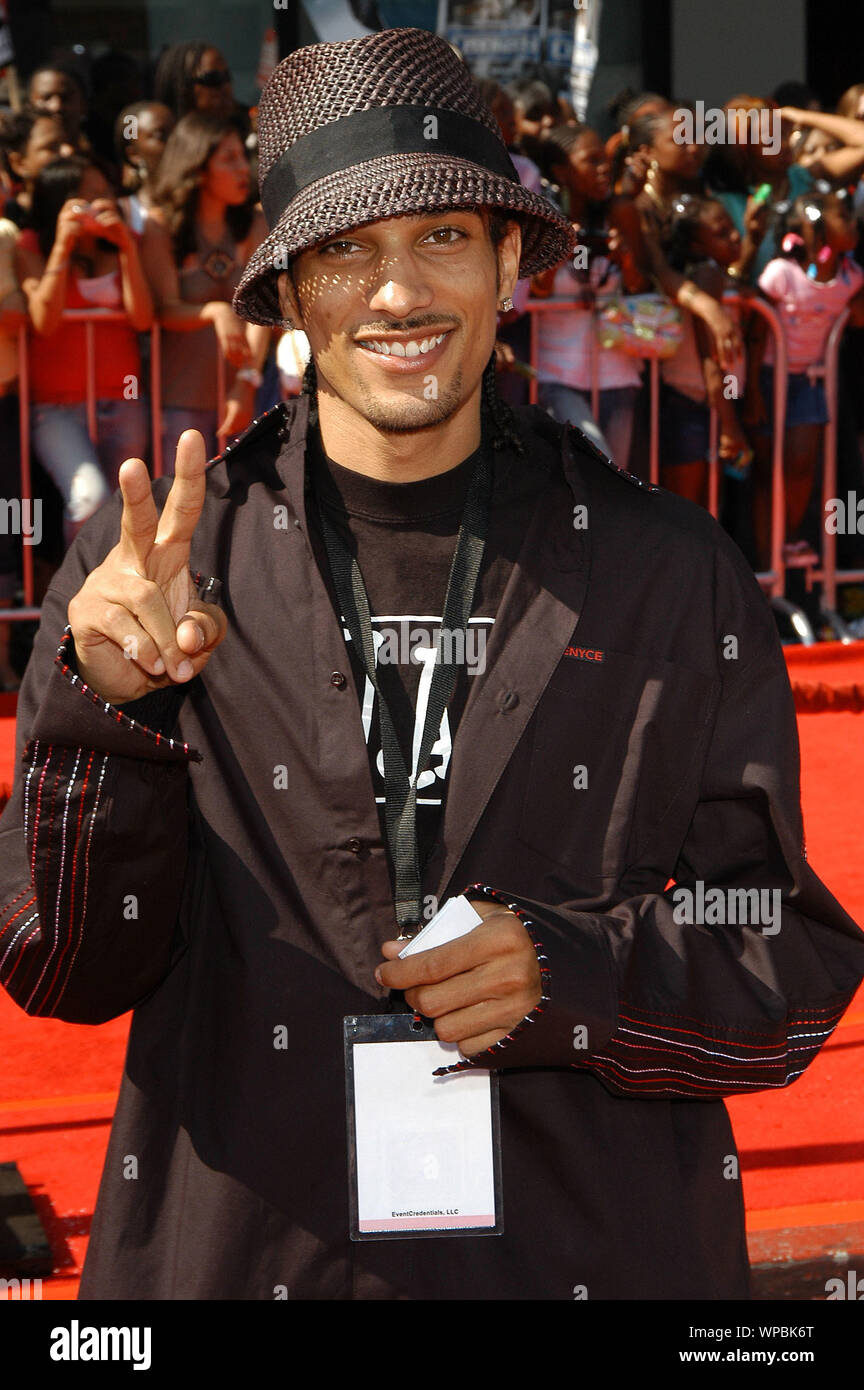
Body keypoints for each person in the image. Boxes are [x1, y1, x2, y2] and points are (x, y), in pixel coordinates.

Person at [1, 28, 863, 1303]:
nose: (397, 293)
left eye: (442, 237)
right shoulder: (156, 564)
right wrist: (104, 713)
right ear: (289, 294)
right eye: (345, 250)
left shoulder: (667, 571)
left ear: (511, 261)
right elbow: (63, 966)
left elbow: (784, 951)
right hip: (251, 1251)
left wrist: (575, 971)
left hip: (590, 1248)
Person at [15, 156, 152, 547]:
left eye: (104, 194)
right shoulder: (29, 247)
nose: (99, 204)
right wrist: (62, 245)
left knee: (122, 507)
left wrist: (126, 245)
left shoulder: (126, 244)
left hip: (123, 398)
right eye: (86, 197)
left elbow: (143, 319)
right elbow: (45, 321)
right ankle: (76, 595)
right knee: (88, 498)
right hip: (56, 407)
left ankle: (116, 599)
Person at [141, 112, 271, 466]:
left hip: (241, 394)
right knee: (182, 504)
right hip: (179, 396)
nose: (244, 168)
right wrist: (215, 311)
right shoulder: (160, 226)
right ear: (198, 167)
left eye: (242, 156)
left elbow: (260, 311)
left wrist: (245, 383)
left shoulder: (255, 223)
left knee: (240, 510)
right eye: (228, 159)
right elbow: (164, 309)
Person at [749, 188, 864, 568]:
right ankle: (766, 565)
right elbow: (756, 332)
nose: (854, 223)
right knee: (768, 474)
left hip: (809, 384)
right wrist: (750, 389)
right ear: (816, 226)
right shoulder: (781, 273)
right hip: (766, 380)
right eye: (843, 217)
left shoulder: (853, 277)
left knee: (802, 464)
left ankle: (791, 538)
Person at [530, 122, 649, 466]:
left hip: (618, 371)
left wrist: (625, 260)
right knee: (597, 466)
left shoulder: (619, 213)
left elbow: (641, 285)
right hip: (558, 372)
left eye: (605, 160)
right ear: (561, 171)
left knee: (615, 479)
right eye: (591, 160)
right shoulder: (542, 219)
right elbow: (536, 289)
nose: (603, 168)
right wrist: (559, 251)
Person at [659, 194, 753, 506]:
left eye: (731, 227)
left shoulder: (720, 273)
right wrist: (729, 425)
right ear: (698, 246)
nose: (734, 236)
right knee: (688, 509)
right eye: (721, 232)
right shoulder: (707, 275)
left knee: (705, 506)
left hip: (711, 405)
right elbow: (710, 357)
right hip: (696, 404)